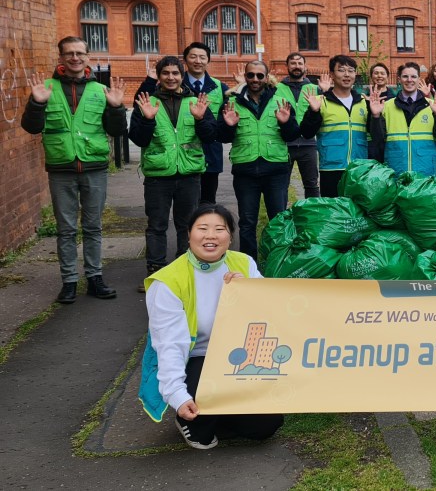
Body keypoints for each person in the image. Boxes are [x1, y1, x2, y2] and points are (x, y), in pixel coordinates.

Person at [138, 204, 284, 449]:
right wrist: (178, 395)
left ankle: (222, 412)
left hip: (238, 356)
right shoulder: (168, 282)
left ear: (230, 237)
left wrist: (249, 291)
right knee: (201, 435)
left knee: (265, 426)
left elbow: (269, 316)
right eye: (202, 228)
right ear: (188, 234)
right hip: (194, 359)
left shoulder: (244, 263)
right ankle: (198, 414)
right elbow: (169, 345)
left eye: (220, 229)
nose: (211, 236)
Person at [22, 37, 128, 303]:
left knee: (93, 226)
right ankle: (69, 281)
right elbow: (32, 127)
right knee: (66, 228)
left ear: (88, 57)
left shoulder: (100, 90)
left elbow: (116, 131)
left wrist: (116, 108)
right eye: (69, 53)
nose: (75, 58)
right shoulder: (45, 88)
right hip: (61, 168)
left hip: (94, 167)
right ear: (61, 58)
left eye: (80, 53)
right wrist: (37, 103)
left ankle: (95, 278)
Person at [129, 56, 219, 292]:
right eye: (166, 73)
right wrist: (148, 120)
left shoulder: (196, 101)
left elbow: (210, 136)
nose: (171, 77)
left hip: (189, 174)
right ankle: (156, 272)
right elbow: (137, 138)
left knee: (187, 225)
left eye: (175, 73)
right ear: (159, 76)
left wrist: (200, 119)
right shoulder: (147, 101)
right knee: (157, 225)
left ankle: (184, 270)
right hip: (158, 175)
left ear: (182, 75)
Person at [216, 60, 299, 261]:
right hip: (245, 171)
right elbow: (222, 136)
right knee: (247, 222)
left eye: (259, 75)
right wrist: (228, 125)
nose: (255, 79)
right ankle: (249, 265)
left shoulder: (280, 99)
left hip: (276, 170)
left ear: (266, 77)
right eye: (251, 75)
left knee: (278, 220)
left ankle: (277, 262)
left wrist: (286, 123)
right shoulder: (232, 102)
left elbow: (293, 135)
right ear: (245, 77)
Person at [299, 56, 372, 196]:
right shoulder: (321, 101)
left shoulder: (364, 102)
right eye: (341, 70)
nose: (346, 75)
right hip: (331, 168)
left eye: (351, 71)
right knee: (334, 212)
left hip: (359, 168)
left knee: (358, 213)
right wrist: (314, 112)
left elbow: (374, 133)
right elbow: (307, 133)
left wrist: (375, 115)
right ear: (332, 74)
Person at [372, 62, 436, 177]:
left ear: (418, 79)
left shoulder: (432, 105)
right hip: (396, 170)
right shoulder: (386, 106)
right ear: (399, 79)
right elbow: (378, 139)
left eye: (413, 76)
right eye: (405, 76)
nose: (409, 80)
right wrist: (376, 116)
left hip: (424, 171)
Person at [181, 42, 229, 202]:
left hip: (210, 152)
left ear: (208, 61)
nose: (198, 61)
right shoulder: (176, 84)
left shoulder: (219, 87)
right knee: (186, 204)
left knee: (208, 202)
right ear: (185, 60)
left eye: (202, 57)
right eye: (193, 56)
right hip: (183, 152)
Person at [278, 52, 322, 199]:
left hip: (308, 144)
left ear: (305, 67)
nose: (296, 66)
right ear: (287, 66)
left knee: (311, 184)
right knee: (281, 185)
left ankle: (313, 216)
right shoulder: (277, 89)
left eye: (299, 63)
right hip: (284, 144)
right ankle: (281, 217)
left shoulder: (315, 89)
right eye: (293, 63)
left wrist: (325, 91)